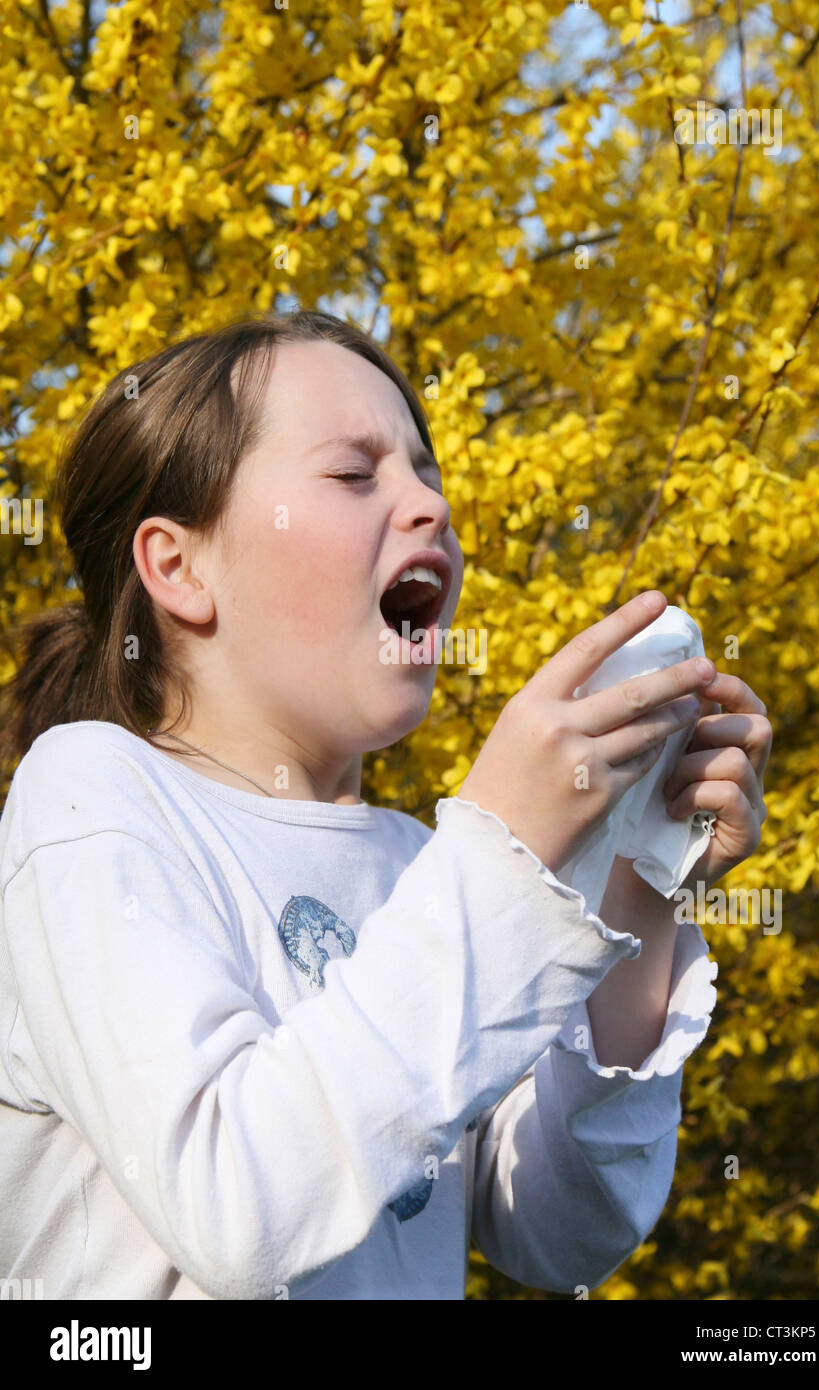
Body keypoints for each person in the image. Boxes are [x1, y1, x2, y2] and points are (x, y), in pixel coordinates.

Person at [0, 310, 771, 1300]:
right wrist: (505, 847)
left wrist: (640, 876)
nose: (428, 508)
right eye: (354, 476)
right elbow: (234, 1204)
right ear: (179, 568)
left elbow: (562, 1229)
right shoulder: (88, 793)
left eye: (426, 475)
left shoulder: (417, 862)